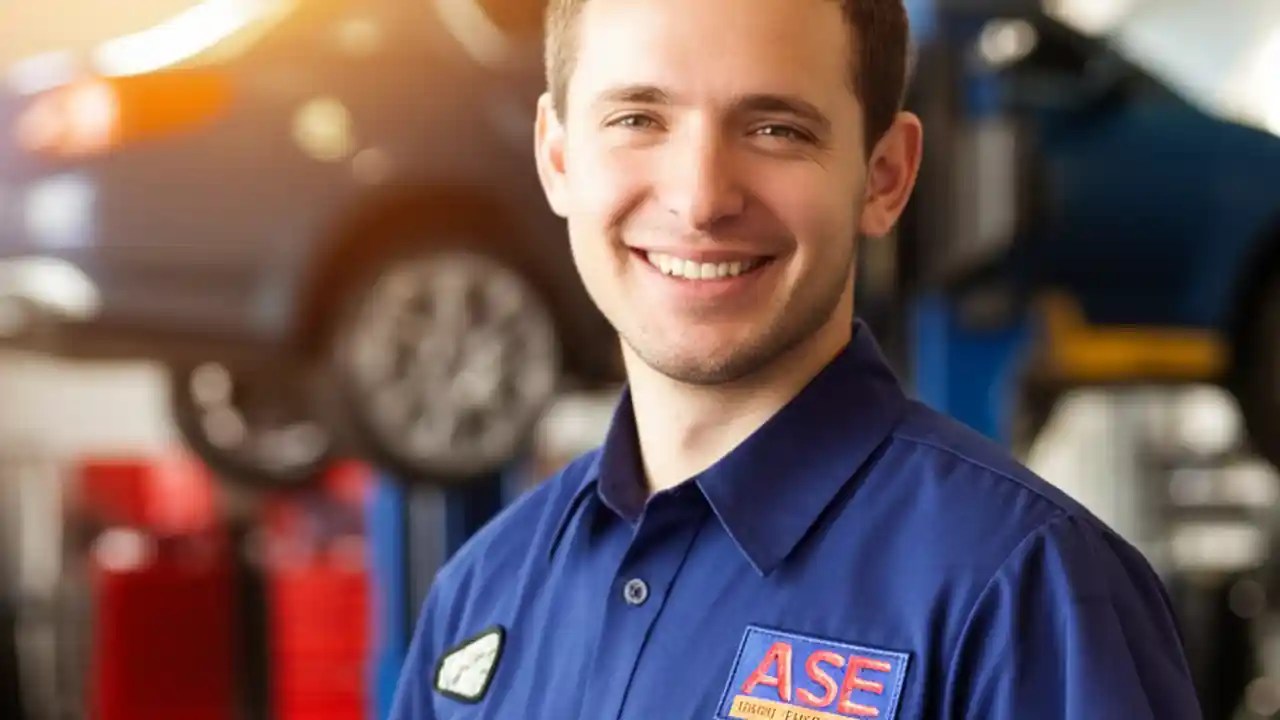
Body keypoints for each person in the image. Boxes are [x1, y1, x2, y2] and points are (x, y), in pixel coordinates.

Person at [390, 0, 1202, 717]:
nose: (701, 197)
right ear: (558, 158)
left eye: (776, 128)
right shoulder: (481, 596)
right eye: (637, 118)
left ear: (885, 177)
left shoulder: (1027, 592)